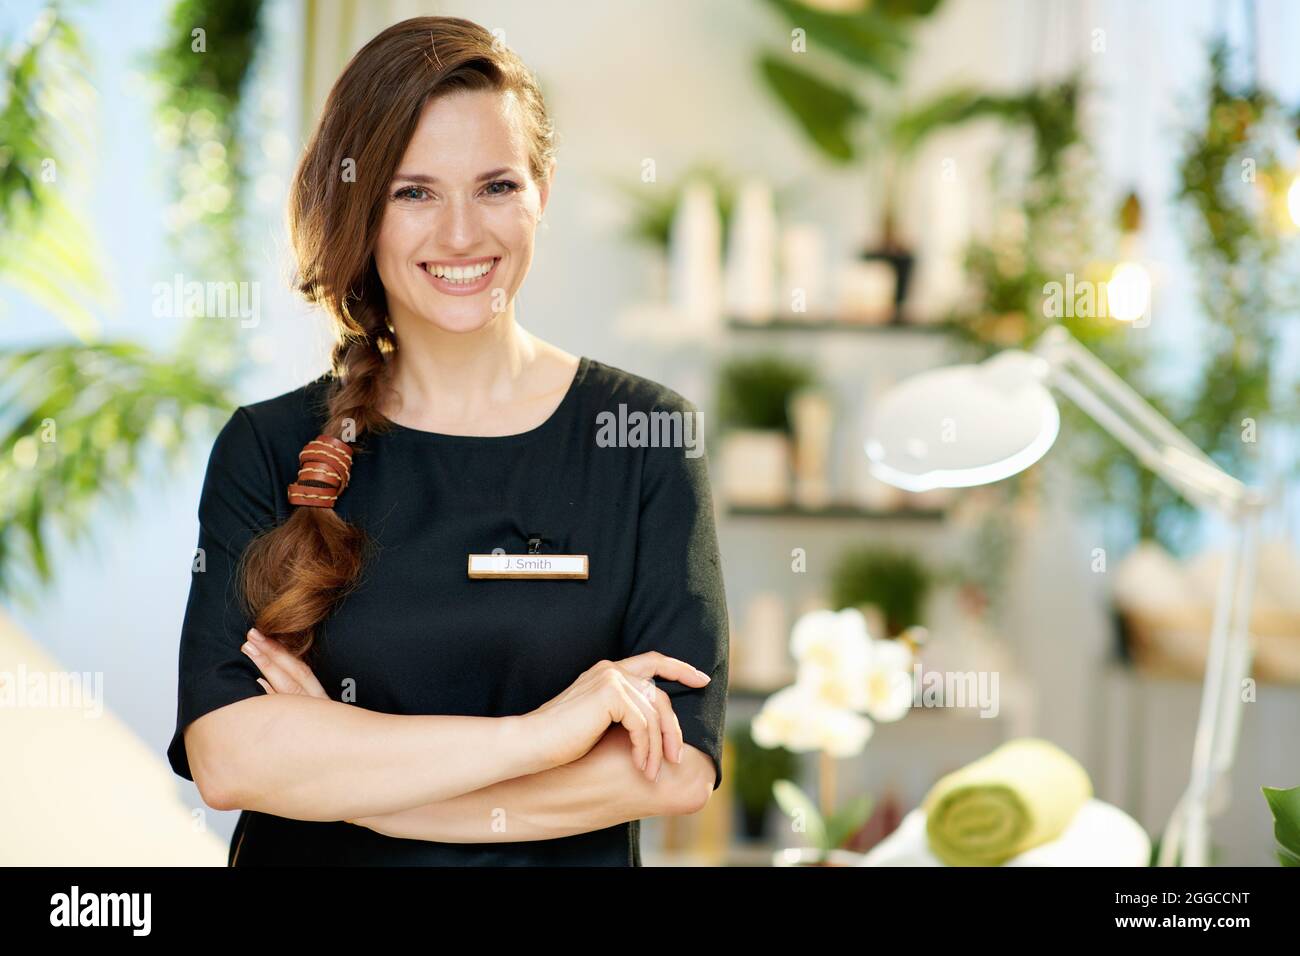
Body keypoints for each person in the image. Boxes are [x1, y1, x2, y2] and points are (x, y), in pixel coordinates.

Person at [165, 15, 729, 866]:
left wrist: (360, 788)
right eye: (414, 191)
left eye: (497, 186)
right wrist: (544, 736)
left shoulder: (643, 438)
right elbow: (230, 757)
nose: (462, 235)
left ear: (542, 191)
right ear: (361, 207)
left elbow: (674, 766)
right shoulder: (268, 447)